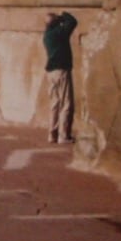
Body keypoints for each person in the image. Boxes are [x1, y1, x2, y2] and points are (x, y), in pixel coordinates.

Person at [43, 11, 78, 144]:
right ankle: (64, 135)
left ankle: (52, 134)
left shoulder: (46, 35)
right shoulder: (60, 33)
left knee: (55, 103)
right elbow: (73, 21)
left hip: (50, 72)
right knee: (66, 103)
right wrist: (62, 16)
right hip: (61, 70)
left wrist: (57, 19)